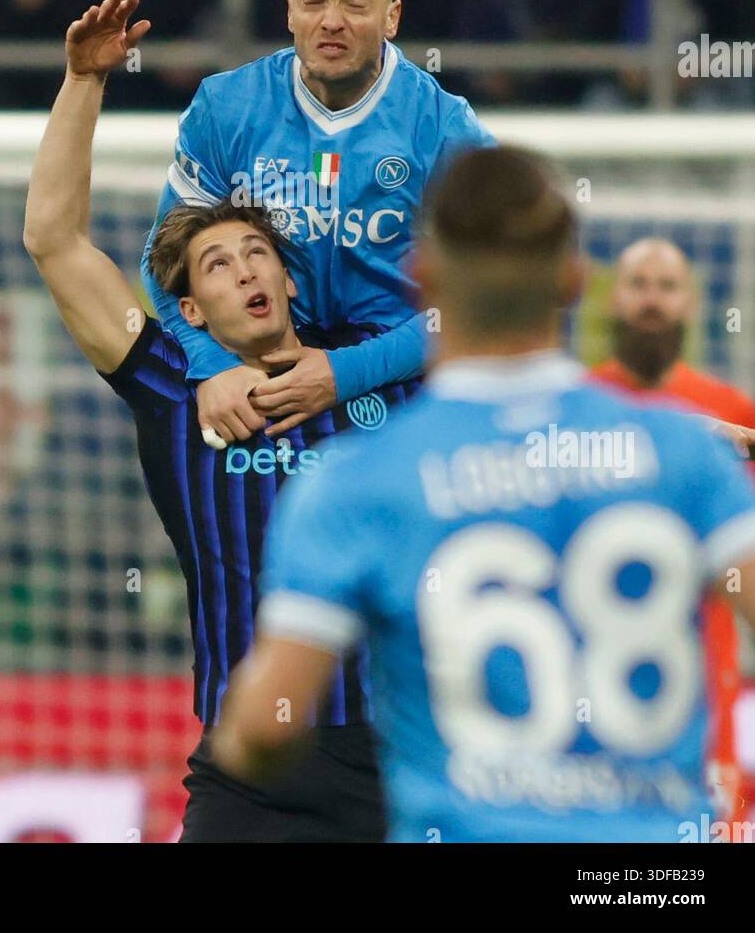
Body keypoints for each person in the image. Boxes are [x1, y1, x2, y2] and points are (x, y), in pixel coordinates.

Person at [213, 146, 755, 842]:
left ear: (423, 280)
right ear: (574, 282)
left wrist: (240, 742)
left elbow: (264, 727)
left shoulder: (357, 481)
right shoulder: (685, 454)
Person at [24, 0, 424, 841]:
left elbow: (519, 395)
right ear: (192, 309)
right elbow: (54, 240)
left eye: (258, 253)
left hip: (394, 764)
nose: (245, 270)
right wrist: (83, 82)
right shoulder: (173, 388)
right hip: (248, 775)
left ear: (287, 279)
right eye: (216, 263)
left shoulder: (376, 371)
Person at [139, 0, 495, 449]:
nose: (331, 22)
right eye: (313, 0)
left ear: (391, 17)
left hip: (406, 393)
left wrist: (343, 373)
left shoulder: (446, 130)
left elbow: (484, 297)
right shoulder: (226, 108)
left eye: (356, 2)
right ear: (289, 10)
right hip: (262, 391)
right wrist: (211, 364)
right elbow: (162, 261)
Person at [591, 236, 755, 824]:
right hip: (590, 695)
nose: (652, 301)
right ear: (615, 300)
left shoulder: (738, 415)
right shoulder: (576, 409)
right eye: (638, 285)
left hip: (703, 696)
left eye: (667, 286)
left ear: (690, 301)